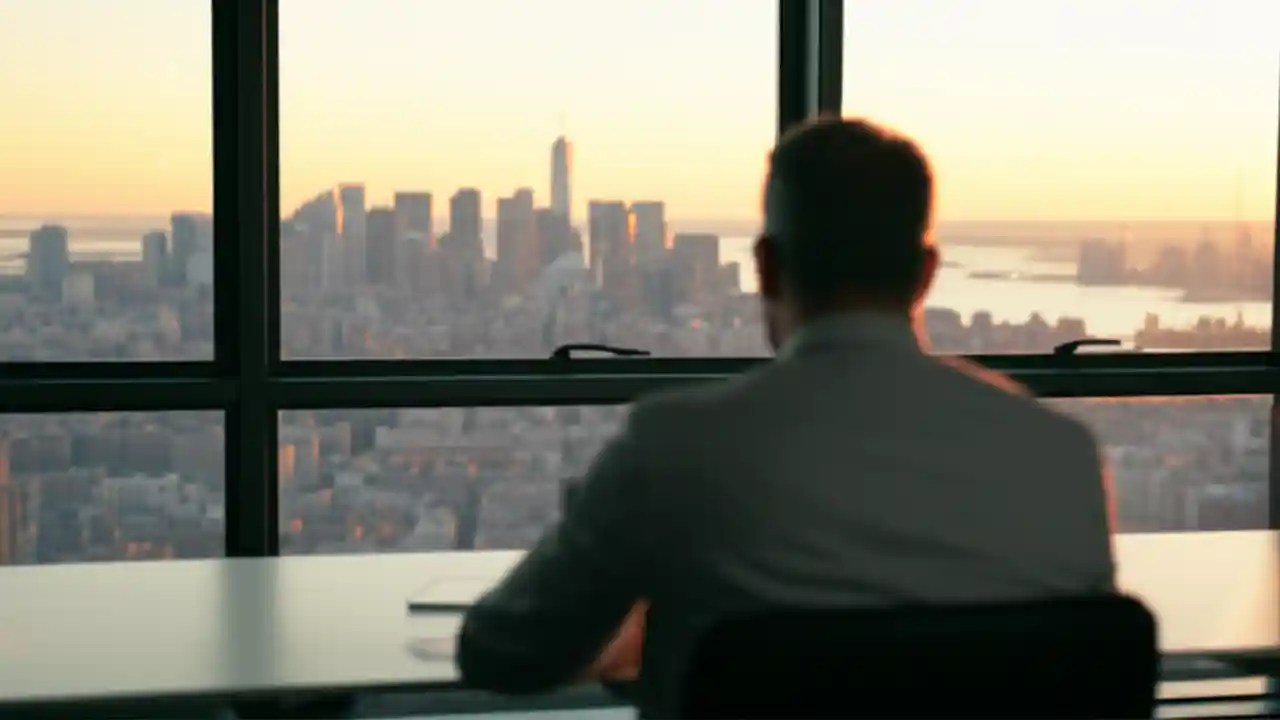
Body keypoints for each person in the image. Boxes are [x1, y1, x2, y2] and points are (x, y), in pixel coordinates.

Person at [456, 117, 1116, 717]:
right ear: (925, 274)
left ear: (767, 269)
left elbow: (500, 651)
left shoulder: (677, 446)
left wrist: (631, 644)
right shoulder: (1060, 456)